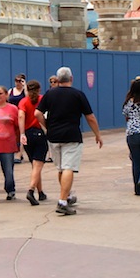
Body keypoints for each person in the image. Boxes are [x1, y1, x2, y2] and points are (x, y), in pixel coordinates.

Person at [36, 66, 103, 216]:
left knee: (61, 168)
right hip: (71, 136)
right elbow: (90, 117)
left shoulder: (50, 94)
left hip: (53, 136)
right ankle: (62, 202)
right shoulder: (78, 95)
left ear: (58, 80)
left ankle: (66, 196)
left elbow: (37, 113)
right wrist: (97, 134)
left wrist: (47, 126)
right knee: (68, 168)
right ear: (71, 79)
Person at [19, 80, 49, 205]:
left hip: (28, 135)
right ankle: (31, 191)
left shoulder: (23, 102)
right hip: (39, 133)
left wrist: (22, 134)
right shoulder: (43, 99)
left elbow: (21, 116)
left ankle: (40, 192)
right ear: (39, 89)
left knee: (35, 166)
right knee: (37, 165)